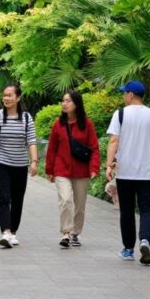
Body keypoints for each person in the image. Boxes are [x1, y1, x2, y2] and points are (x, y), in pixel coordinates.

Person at [106, 80, 150, 265]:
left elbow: (114, 140)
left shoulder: (121, 114)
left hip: (125, 172)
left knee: (127, 211)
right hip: (148, 174)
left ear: (131, 95)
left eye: (125, 93)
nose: (123, 96)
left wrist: (109, 165)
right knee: (148, 209)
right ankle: (145, 240)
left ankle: (127, 250)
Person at [0, 83, 38, 249]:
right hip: (1, 162)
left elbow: (32, 141)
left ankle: (13, 232)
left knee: (18, 199)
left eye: (10, 95)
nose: (6, 98)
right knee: (4, 198)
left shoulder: (27, 118)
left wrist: (34, 161)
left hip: (20, 164)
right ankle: (5, 232)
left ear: (18, 98)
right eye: (4, 95)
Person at [45, 90, 100, 248]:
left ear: (77, 104)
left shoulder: (87, 124)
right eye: (63, 101)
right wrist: (50, 170)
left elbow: (94, 148)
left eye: (68, 101)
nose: (64, 103)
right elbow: (52, 148)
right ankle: (66, 233)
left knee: (80, 205)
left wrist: (94, 167)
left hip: (81, 171)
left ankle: (76, 232)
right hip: (62, 169)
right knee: (66, 200)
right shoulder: (58, 123)